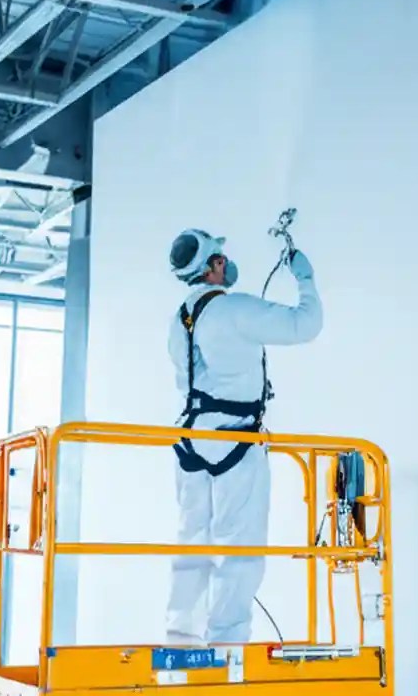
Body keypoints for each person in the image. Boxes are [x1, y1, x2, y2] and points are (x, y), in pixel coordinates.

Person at [165, 228, 322, 645]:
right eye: (222, 259)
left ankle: (181, 636)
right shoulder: (233, 309)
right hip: (237, 438)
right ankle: (227, 642)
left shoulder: (180, 318)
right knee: (240, 543)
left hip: (191, 438)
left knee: (192, 542)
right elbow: (306, 325)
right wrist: (305, 279)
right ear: (214, 266)